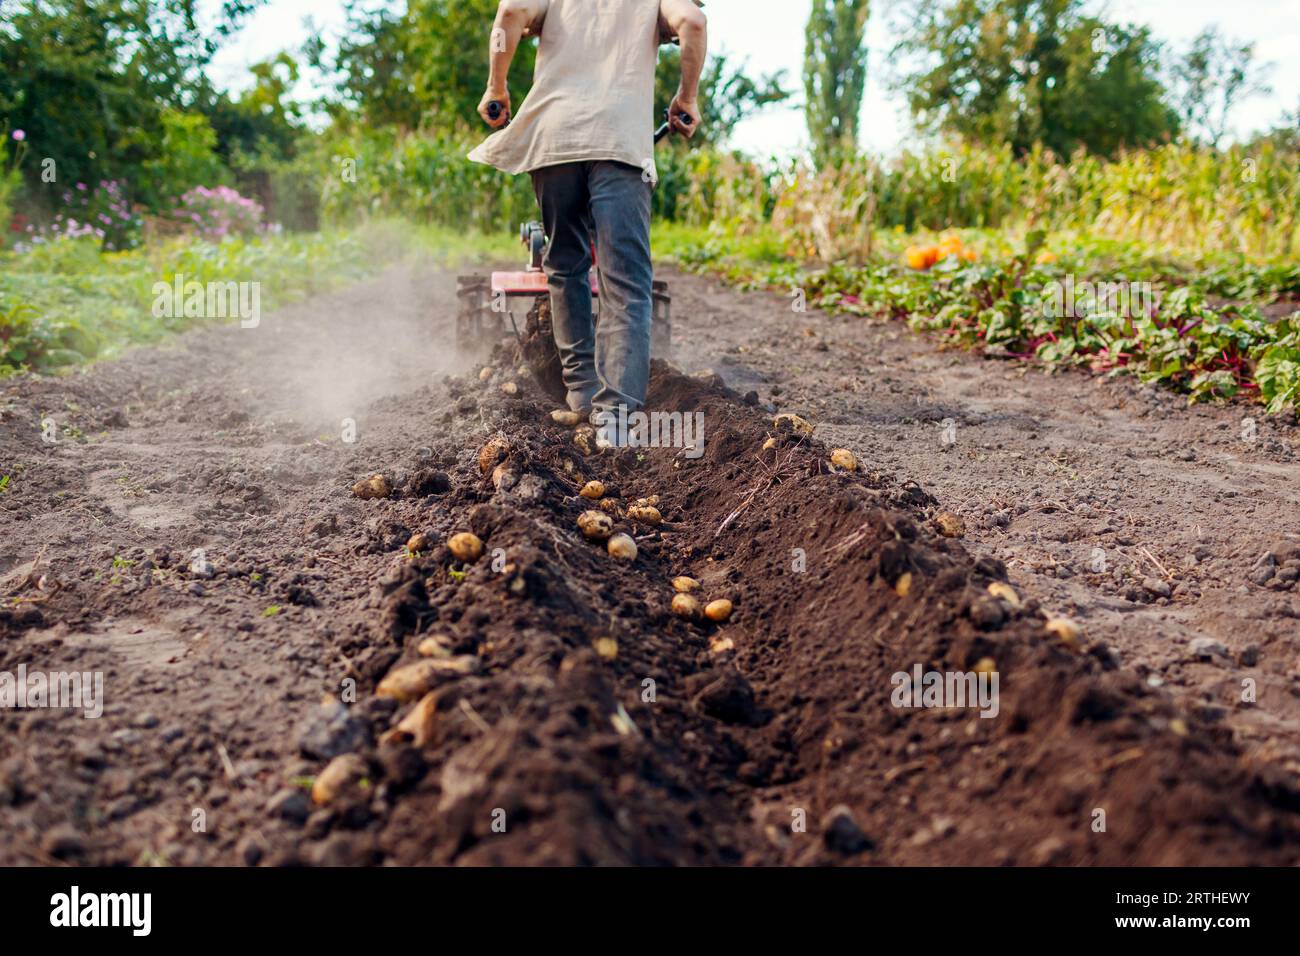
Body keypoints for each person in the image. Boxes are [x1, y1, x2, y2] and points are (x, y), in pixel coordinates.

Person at [468, 0, 707, 422]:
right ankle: (616, 416)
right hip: (618, 143)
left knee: (564, 267)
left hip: (555, 140)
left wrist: (497, 87)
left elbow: (509, 13)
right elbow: (692, 21)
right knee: (626, 281)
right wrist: (686, 97)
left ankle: (580, 393)